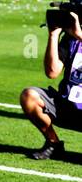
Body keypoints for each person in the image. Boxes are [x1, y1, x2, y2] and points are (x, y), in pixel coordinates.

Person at [20, 10, 82, 161]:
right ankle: (53, 144)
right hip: (68, 106)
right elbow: (52, 72)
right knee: (30, 96)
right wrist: (53, 35)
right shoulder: (71, 38)